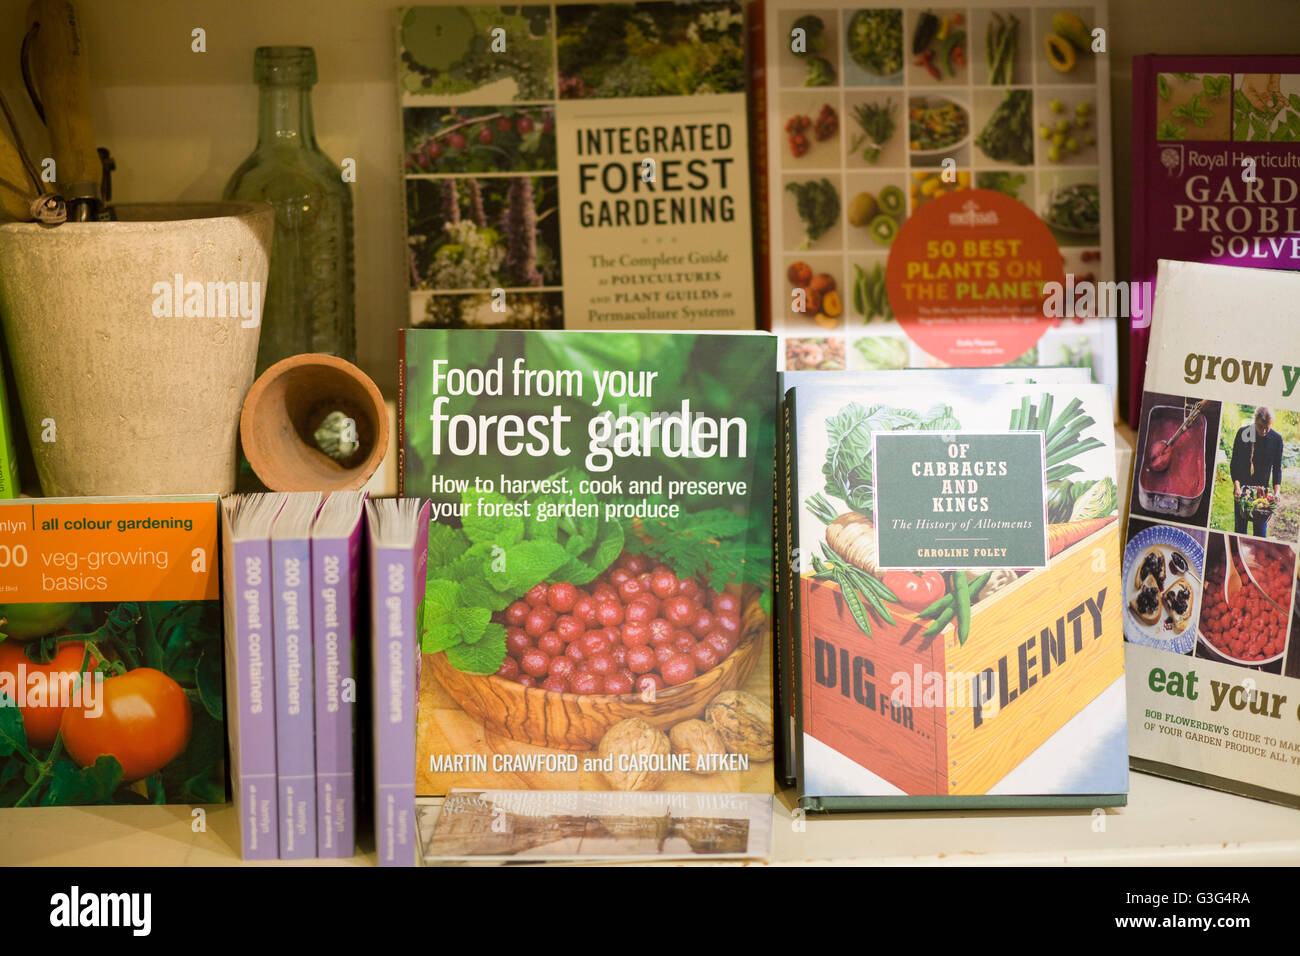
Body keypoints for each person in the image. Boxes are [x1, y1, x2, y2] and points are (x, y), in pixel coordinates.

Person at [1231, 406, 1283, 537]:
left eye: (1268, 426)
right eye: (1260, 426)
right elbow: (1234, 463)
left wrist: (1277, 492)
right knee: (1240, 530)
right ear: (1255, 421)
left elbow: (1277, 468)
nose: (1264, 430)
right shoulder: (1243, 433)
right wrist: (1236, 486)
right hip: (1242, 491)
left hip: (1262, 494)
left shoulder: (1277, 439)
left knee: (1260, 533)